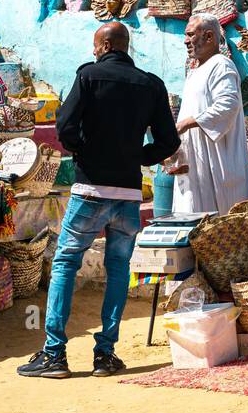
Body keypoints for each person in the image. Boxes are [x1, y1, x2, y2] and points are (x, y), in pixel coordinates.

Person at [17, 22, 180, 380]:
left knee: (65, 263)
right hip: (128, 195)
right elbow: (168, 142)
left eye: (95, 46)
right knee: (119, 269)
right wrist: (137, 157)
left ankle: (54, 355)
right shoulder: (152, 84)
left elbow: (65, 128)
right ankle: (105, 356)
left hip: (90, 189)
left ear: (105, 44)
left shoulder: (88, 77)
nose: (93, 52)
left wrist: (85, 153)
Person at [167, 14, 248, 214]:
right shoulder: (196, 71)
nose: (185, 41)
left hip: (216, 161)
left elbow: (228, 104)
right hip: (194, 161)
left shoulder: (221, 65)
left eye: (190, 35)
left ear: (209, 37)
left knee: (216, 223)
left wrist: (184, 124)